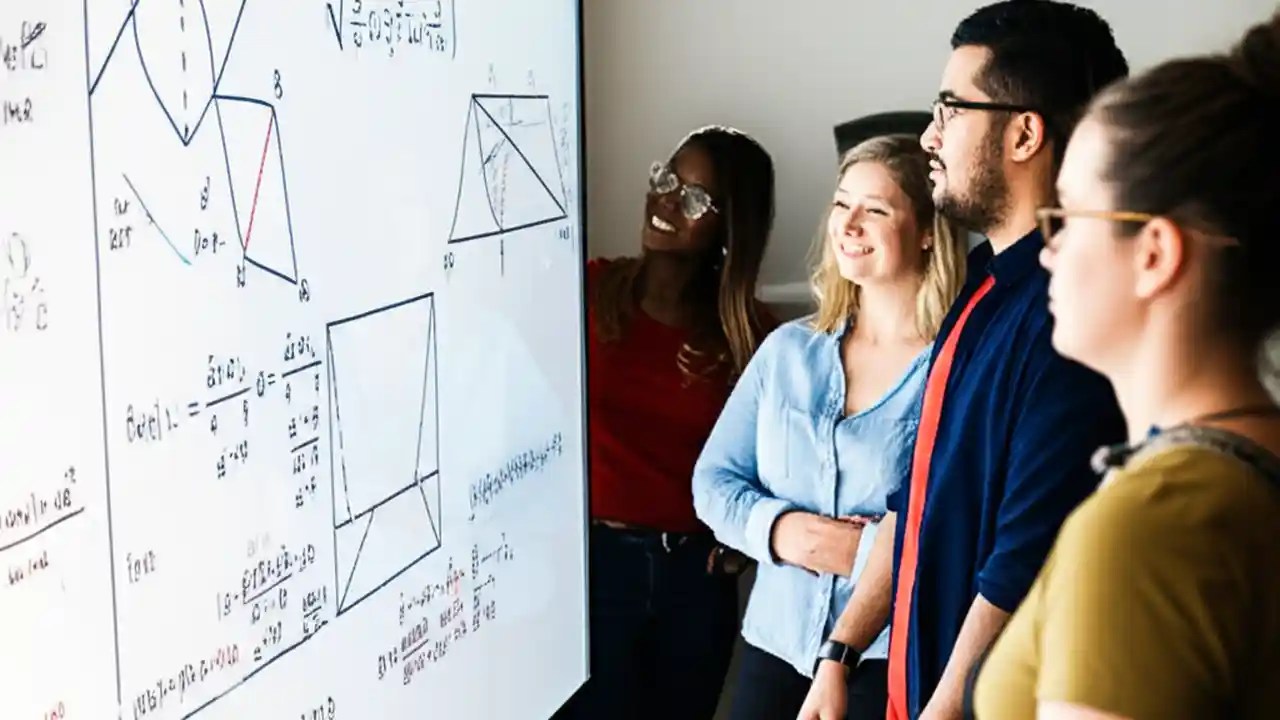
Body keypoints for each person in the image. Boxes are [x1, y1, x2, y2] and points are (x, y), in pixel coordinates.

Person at [800, 3, 1131, 719]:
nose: (929, 136)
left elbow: (1026, 555)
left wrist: (946, 706)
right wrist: (841, 652)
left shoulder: (1067, 309)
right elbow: (913, 496)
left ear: (1023, 133)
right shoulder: (983, 280)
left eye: (950, 109)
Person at [972, 11, 1280, 719]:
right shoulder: (1243, 470)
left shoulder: (1150, 526)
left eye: (1070, 216)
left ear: (1155, 255)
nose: (1048, 248)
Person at [692, 134, 968, 720]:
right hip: (772, 641)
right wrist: (784, 531)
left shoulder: (955, 368)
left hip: (885, 656)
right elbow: (713, 481)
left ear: (925, 230)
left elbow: (953, 529)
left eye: (876, 209)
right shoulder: (787, 352)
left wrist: (866, 553)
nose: (849, 224)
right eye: (842, 205)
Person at [554, 125, 777, 720]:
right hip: (592, 567)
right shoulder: (588, 289)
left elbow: (782, 464)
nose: (666, 201)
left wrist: (746, 539)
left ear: (730, 229)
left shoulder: (750, 337)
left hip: (692, 580)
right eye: (666, 179)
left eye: (695, 198)